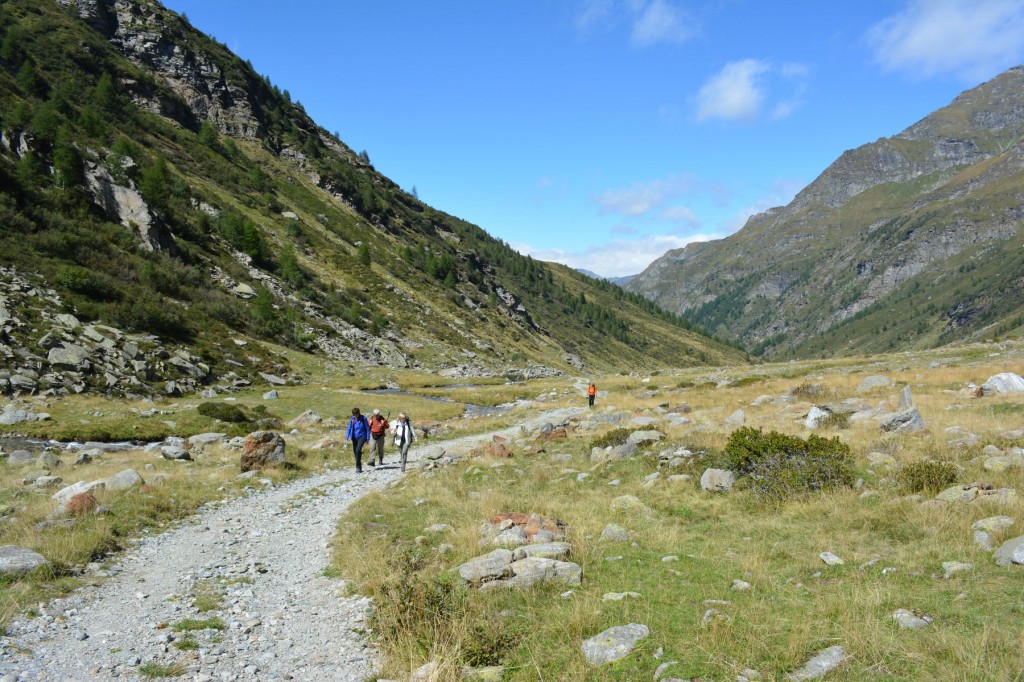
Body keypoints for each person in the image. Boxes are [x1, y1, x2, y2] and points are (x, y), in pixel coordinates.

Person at [344, 407, 370, 473]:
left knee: (358, 450)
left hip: (362, 437)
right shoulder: (352, 419)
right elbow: (349, 428)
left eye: (356, 414)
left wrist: (367, 438)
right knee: (356, 453)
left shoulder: (363, 418)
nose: (355, 416)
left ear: (359, 413)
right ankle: (359, 465)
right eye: (354, 414)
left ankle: (358, 467)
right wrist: (346, 438)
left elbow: (367, 428)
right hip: (354, 438)